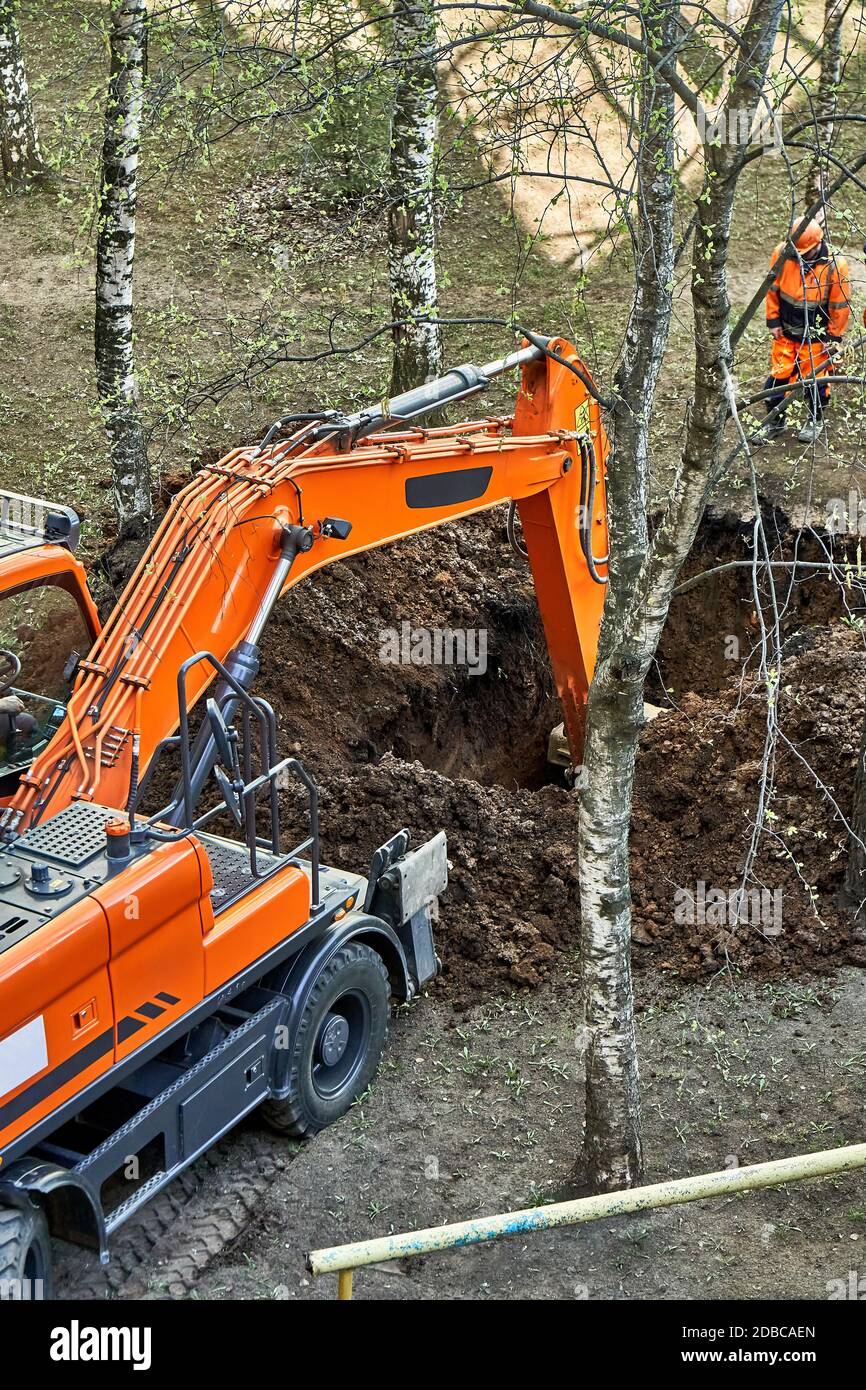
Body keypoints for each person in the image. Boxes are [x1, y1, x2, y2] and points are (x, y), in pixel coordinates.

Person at [749, 218, 851, 446]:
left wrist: (833, 337)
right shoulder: (782, 253)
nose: (801, 256)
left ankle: (815, 419)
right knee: (777, 377)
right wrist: (773, 320)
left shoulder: (835, 265)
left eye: (806, 252)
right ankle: (775, 421)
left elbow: (839, 305)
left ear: (818, 243)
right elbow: (772, 289)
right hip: (785, 332)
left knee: (817, 380)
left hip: (817, 338)